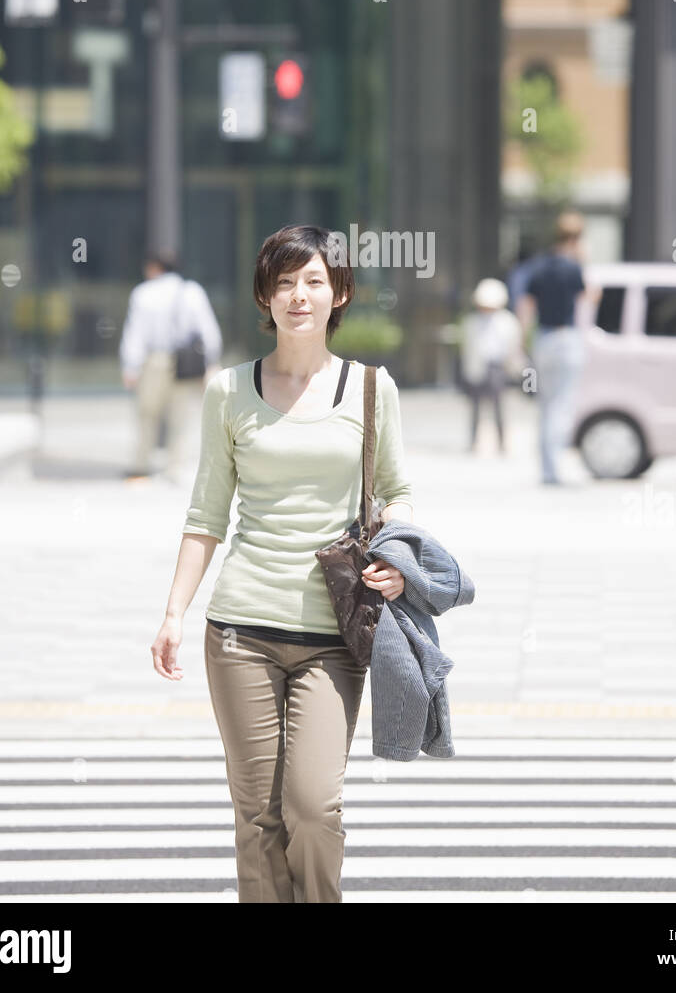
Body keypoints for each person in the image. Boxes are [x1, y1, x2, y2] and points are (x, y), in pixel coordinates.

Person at [150, 224, 414, 903]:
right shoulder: (228, 391)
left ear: (340, 293)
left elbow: (398, 493)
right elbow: (206, 514)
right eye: (285, 281)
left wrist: (397, 561)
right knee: (257, 817)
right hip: (240, 630)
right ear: (265, 297)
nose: (300, 294)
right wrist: (174, 612)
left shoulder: (369, 389)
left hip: (334, 633)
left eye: (315, 280)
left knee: (314, 806)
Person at [119, 251, 223, 480]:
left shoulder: (143, 293)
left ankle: (141, 465)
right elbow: (209, 331)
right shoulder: (192, 291)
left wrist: (130, 366)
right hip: (185, 363)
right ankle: (176, 469)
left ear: (154, 267)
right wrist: (210, 362)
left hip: (154, 361)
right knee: (181, 416)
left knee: (147, 414)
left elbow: (135, 333)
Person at [515, 211, 599, 485]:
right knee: (562, 405)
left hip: (544, 339)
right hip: (566, 339)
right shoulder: (574, 268)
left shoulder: (538, 268)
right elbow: (591, 296)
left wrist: (522, 342)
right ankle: (553, 469)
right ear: (577, 238)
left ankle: (547, 468)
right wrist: (585, 262)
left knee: (546, 405)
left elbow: (525, 307)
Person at [458, 278, 525, 453]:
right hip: (477, 366)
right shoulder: (471, 321)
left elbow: (513, 347)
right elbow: (467, 347)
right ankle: (473, 442)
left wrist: (513, 367)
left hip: (497, 367)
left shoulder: (507, 322)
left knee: (499, 407)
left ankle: (502, 443)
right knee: (475, 408)